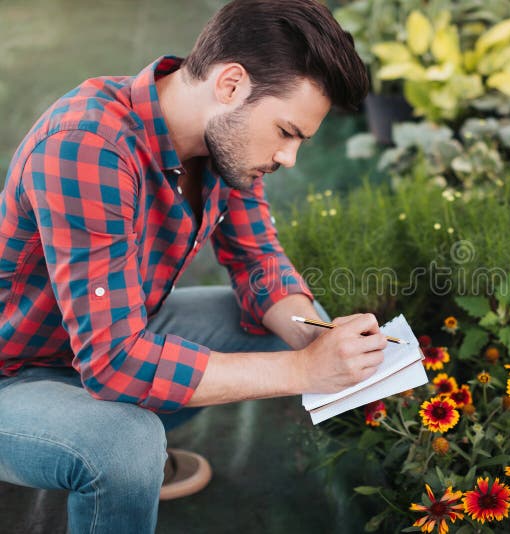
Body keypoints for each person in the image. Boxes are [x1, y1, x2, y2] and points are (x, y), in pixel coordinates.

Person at [0, 0, 384, 532]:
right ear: (230, 84)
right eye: (287, 132)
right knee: (126, 442)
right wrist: (303, 371)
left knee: (289, 328)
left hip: (111, 332)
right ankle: (110, 457)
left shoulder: (224, 143)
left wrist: (317, 341)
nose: (290, 157)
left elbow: (258, 261)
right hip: (15, 372)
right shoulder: (86, 146)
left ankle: (122, 463)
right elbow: (114, 363)